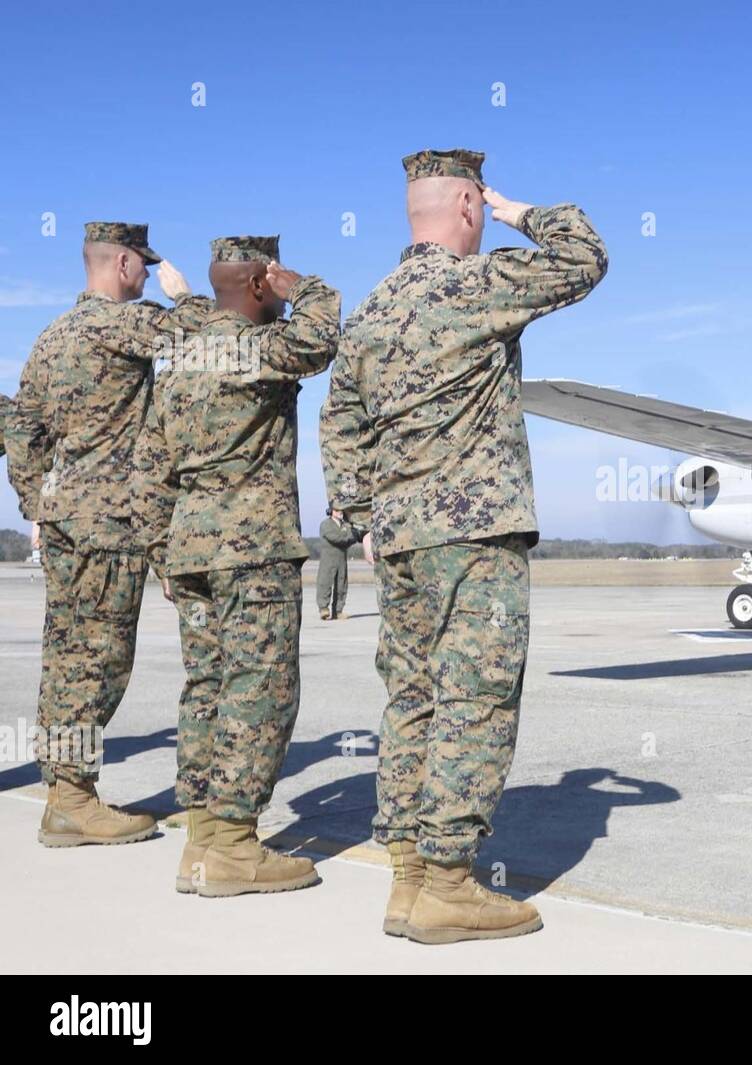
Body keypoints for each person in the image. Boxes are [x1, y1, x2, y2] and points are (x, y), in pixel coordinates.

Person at [320, 148, 607, 943]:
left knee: (412, 700)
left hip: (404, 541)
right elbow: (587, 257)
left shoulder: (371, 311)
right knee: (475, 699)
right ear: (469, 207)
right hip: (475, 534)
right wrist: (525, 213)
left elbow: (340, 425)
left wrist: (360, 515)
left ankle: (407, 877)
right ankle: (450, 882)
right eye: (483, 208)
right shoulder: (479, 284)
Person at [134, 235, 339, 896]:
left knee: (207, 689)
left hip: (191, 546)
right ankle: (234, 845)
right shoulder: (263, 349)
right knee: (260, 690)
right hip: (251, 547)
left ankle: (200, 838)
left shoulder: (181, 361)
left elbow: (148, 469)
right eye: (269, 280)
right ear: (257, 284)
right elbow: (324, 333)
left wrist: (161, 551)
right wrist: (299, 284)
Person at [4, 222, 208, 846]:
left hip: (70, 521)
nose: (147, 275)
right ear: (122, 263)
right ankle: (71, 799)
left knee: (67, 656)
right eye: (142, 266)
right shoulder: (121, 325)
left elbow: (21, 429)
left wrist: (41, 501)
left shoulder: (50, 337)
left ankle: (65, 792)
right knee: (98, 660)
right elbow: (211, 336)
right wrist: (185, 296)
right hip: (111, 522)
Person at [316, 505, 363, 619]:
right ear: (331, 512)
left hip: (341, 559)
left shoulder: (346, 525)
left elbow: (354, 535)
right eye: (337, 510)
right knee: (325, 583)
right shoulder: (325, 524)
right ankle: (323, 608)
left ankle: (338, 611)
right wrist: (350, 537)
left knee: (341, 585)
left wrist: (351, 536)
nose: (340, 512)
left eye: (341, 510)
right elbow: (336, 538)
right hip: (328, 559)